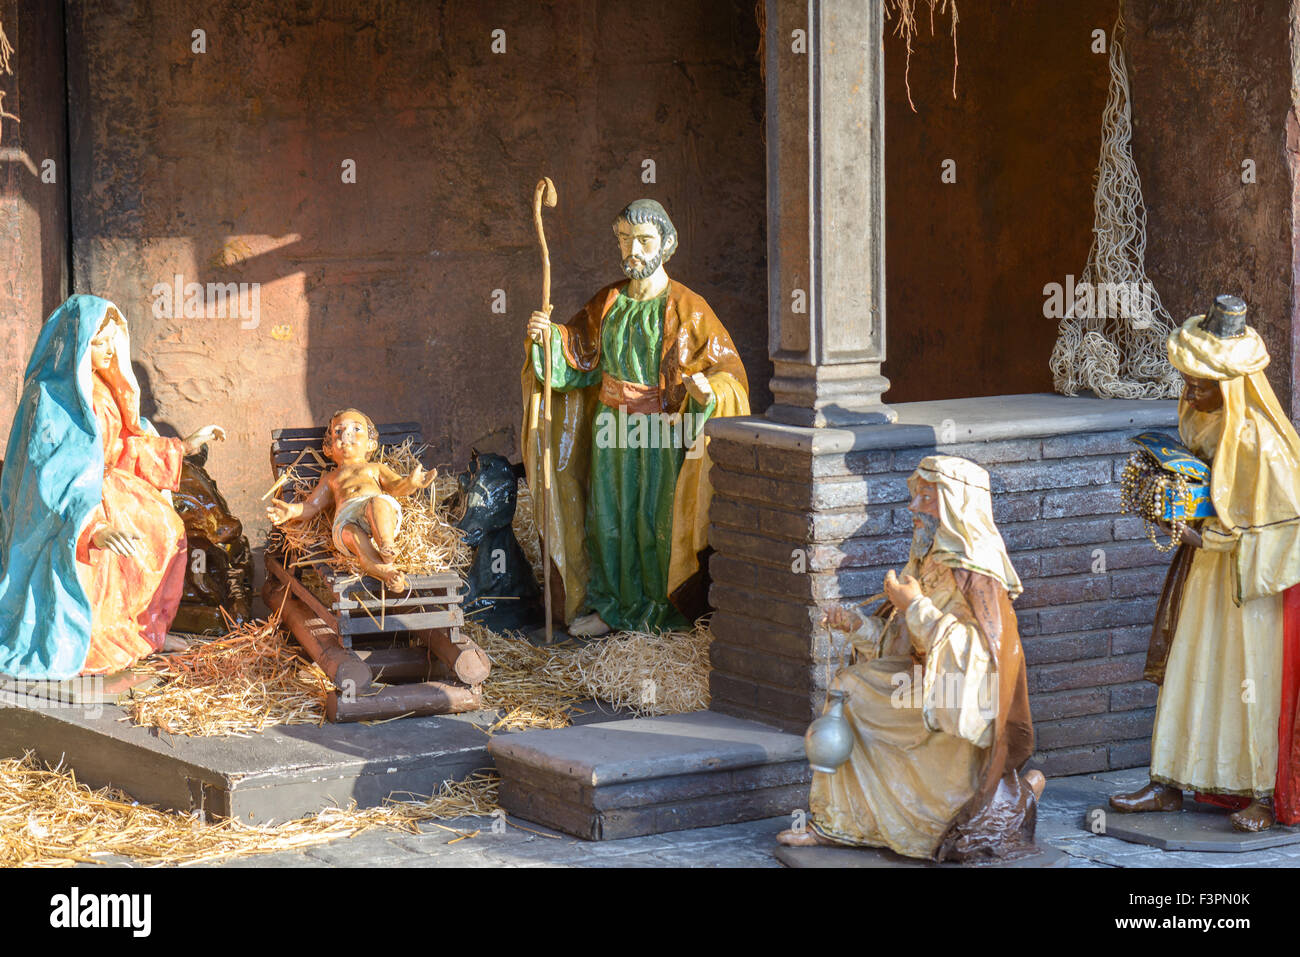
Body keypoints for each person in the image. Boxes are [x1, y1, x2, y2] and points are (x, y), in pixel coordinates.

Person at [777, 455, 1044, 861]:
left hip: (956, 697)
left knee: (858, 694)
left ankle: (968, 810)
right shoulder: (928, 560)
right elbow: (904, 645)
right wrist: (859, 626)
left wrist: (915, 605)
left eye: (926, 498)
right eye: (915, 497)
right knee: (849, 687)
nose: (913, 508)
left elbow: (981, 658)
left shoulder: (978, 575)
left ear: (957, 505)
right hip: (922, 680)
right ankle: (843, 823)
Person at [1110, 295, 1300, 832]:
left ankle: (1260, 791)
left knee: (1249, 684)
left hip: (1251, 593)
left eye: (1199, 381)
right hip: (1206, 579)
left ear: (1233, 386)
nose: (1188, 390)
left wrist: (1200, 533)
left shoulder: (1264, 447)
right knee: (1190, 670)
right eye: (1186, 379)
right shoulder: (1202, 420)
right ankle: (1169, 780)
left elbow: (1280, 532)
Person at [521, 198, 749, 636]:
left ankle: (660, 610)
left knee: (655, 519)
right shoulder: (607, 301)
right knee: (606, 517)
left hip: (661, 432)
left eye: (644, 240)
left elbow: (728, 373)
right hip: (611, 429)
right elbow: (574, 361)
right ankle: (610, 606)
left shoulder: (689, 307)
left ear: (667, 244)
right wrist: (546, 341)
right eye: (625, 239)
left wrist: (710, 392)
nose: (633, 249)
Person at [0, 295, 224, 678]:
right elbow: (45, 475)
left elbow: (124, 446)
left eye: (111, 341)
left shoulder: (104, 389)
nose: (106, 351)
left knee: (165, 528)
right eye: (96, 342)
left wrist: (183, 446)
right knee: (102, 556)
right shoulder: (49, 398)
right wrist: (92, 528)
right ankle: (91, 638)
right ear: (74, 343)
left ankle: (144, 631)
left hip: (111, 488)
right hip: (71, 505)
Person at [266, 408, 436, 592]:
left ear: (371, 445)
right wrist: (291, 511)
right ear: (328, 448)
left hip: (375, 510)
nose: (346, 435)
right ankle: (387, 573)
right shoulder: (331, 478)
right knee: (350, 535)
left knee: (377, 504)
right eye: (338, 431)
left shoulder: (374, 468)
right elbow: (312, 506)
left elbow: (396, 487)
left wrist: (411, 483)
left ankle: (386, 545)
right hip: (346, 518)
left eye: (356, 429)